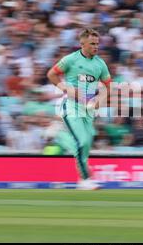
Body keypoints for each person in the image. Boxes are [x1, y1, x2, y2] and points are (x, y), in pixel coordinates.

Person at [47, 28, 111, 190]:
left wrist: (99, 101)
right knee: (81, 141)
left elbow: (108, 86)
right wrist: (65, 88)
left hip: (88, 110)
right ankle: (84, 180)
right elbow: (51, 75)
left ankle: (60, 136)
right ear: (82, 44)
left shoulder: (100, 64)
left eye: (97, 44)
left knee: (87, 143)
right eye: (92, 44)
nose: (96, 47)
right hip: (71, 106)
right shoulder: (70, 60)